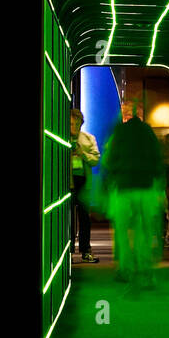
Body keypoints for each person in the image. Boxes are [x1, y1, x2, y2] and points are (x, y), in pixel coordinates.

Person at [100, 99, 165, 289]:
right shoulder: (148, 132)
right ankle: (144, 270)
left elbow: (110, 159)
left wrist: (109, 180)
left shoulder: (118, 132)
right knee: (143, 231)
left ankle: (125, 270)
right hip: (146, 188)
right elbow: (157, 160)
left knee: (122, 231)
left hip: (122, 187)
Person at [70, 107, 100, 263]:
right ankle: (67, 252)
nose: (73, 127)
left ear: (81, 124)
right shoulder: (62, 138)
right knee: (65, 217)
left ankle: (85, 250)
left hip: (83, 181)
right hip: (66, 182)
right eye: (70, 124)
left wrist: (83, 154)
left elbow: (95, 159)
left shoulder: (88, 139)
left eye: (76, 124)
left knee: (84, 218)